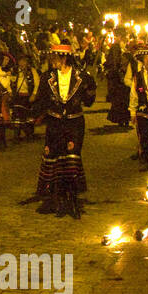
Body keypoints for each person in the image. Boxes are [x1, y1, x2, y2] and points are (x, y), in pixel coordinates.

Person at [32, 44, 96, 218]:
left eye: (55, 58)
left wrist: (89, 92)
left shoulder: (82, 77)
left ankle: (73, 200)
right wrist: (33, 114)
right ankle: (59, 200)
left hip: (75, 123)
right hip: (54, 124)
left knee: (72, 159)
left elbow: (90, 100)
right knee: (56, 159)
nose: (52, 61)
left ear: (64, 58)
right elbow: (41, 100)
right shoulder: (47, 78)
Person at [9, 54, 40, 141]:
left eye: (24, 61)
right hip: (17, 97)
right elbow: (9, 82)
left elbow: (37, 83)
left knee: (28, 117)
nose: (22, 63)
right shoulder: (14, 71)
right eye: (20, 61)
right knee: (16, 117)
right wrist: (10, 92)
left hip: (28, 96)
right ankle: (16, 135)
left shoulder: (32, 71)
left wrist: (34, 94)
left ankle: (29, 134)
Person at [103, 42, 131, 127]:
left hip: (125, 89)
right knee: (119, 105)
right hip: (119, 89)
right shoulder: (118, 65)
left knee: (125, 105)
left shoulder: (129, 67)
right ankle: (120, 120)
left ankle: (125, 120)